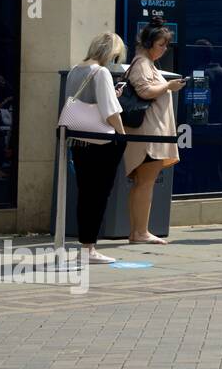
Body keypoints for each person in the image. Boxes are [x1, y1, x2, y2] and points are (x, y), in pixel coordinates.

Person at [64, 32, 128, 264]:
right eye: (117, 55)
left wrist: (113, 93)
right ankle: (89, 248)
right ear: (110, 52)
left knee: (85, 193)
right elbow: (111, 112)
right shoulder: (100, 72)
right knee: (99, 194)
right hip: (101, 142)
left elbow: (83, 102)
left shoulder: (75, 69)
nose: (116, 60)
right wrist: (122, 135)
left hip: (79, 140)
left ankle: (86, 246)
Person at [123, 17, 185, 244]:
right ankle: (140, 232)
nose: (164, 49)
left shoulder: (146, 64)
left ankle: (138, 231)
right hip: (148, 133)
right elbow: (145, 91)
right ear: (149, 44)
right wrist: (168, 86)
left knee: (143, 183)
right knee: (145, 183)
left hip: (150, 131)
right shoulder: (141, 63)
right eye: (161, 44)